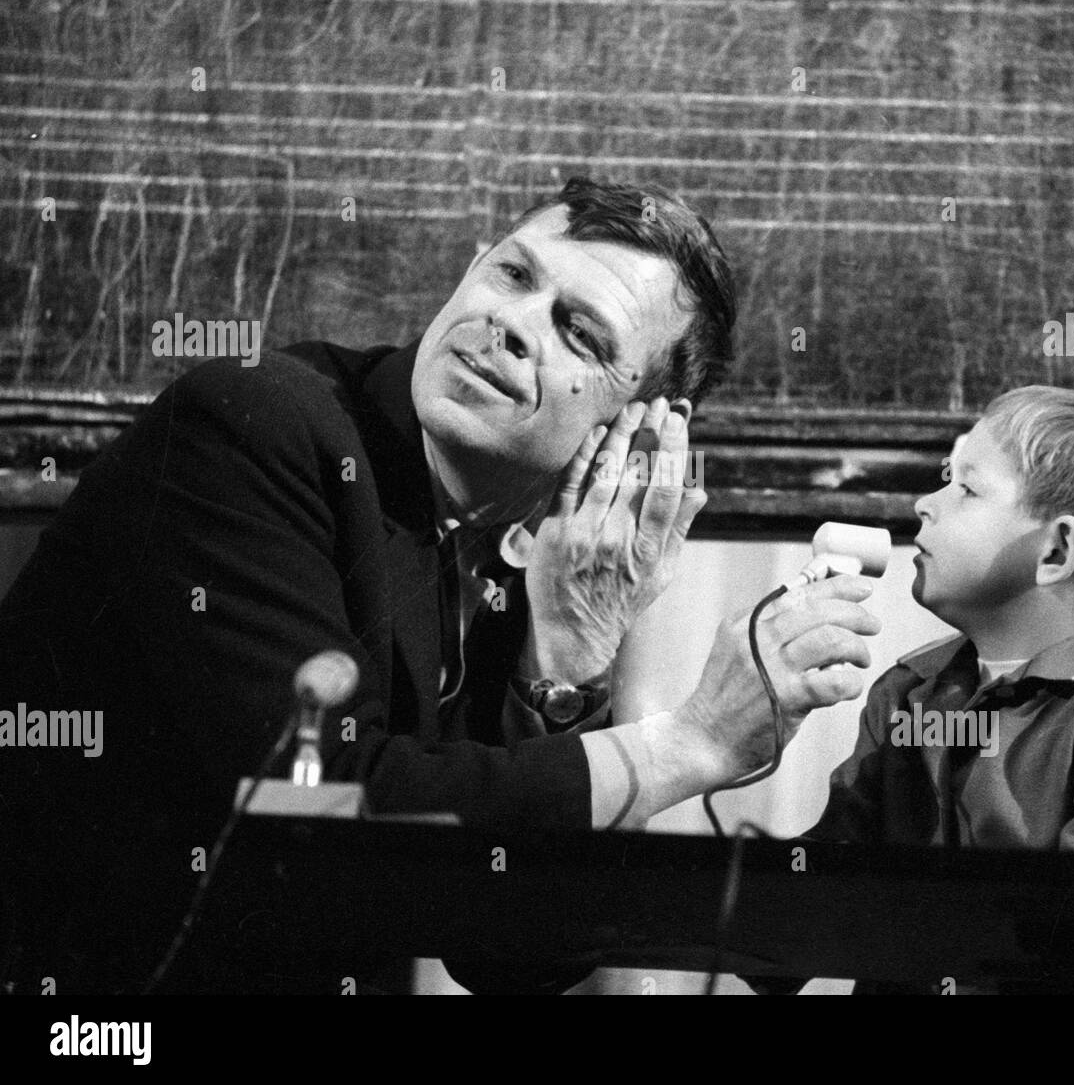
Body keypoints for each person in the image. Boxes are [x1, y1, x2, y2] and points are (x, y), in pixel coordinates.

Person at [0, 177, 880, 993]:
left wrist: (568, 664)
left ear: (641, 426)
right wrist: (688, 748)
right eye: (513, 274)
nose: (513, 323)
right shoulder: (254, 424)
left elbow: (509, 961)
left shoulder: (535, 552)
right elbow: (321, 818)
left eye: (581, 332)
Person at [810, 386, 1074, 857]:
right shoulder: (907, 692)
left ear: (1055, 552)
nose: (925, 503)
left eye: (967, 488)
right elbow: (829, 883)